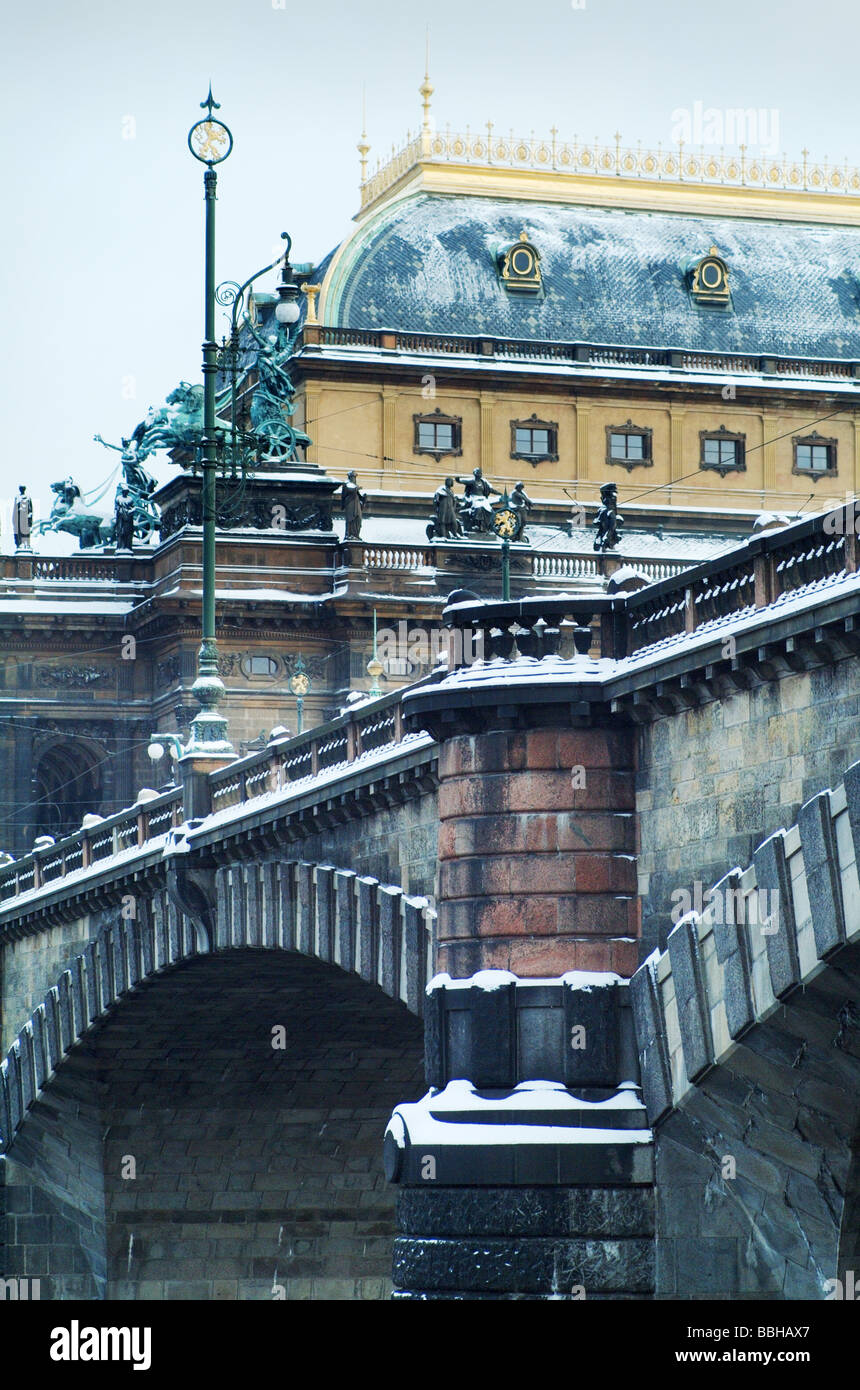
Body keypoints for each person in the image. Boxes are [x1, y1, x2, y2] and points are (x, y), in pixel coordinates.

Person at [456, 467, 500, 533]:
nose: (479, 474)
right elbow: (460, 481)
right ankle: (476, 525)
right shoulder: (472, 481)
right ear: (474, 473)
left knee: (490, 511)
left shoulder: (484, 482)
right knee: (478, 508)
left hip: (483, 498)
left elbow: (491, 490)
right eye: (477, 472)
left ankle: (487, 526)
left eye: (480, 473)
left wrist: (499, 493)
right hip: (474, 498)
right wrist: (458, 479)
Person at [593, 481, 624, 552]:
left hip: (610, 513)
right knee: (610, 521)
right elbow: (607, 504)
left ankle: (609, 537)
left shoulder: (612, 497)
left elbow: (615, 509)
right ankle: (606, 537)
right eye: (613, 490)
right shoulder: (606, 496)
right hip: (606, 512)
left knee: (612, 521)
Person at [340, 471, 367, 539]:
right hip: (350, 504)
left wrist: (363, 498)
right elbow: (349, 491)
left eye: (354, 477)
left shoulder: (355, 486)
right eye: (352, 477)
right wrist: (356, 489)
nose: (354, 479)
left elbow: (358, 495)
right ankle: (349, 534)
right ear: (349, 477)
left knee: (358, 519)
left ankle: (356, 534)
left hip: (357, 504)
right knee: (350, 519)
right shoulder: (346, 484)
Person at [114, 485, 135, 551]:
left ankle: (127, 546)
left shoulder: (130, 499)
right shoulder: (118, 498)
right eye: (124, 491)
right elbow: (116, 507)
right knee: (120, 532)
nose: (125, 493)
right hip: (120, 517)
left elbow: (133, 507)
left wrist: (131, 511)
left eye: (126, 492)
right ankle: (120, 546)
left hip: (128, 517)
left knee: (127, 532)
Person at [13, 485, 32, 550]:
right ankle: (20, 544)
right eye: (20, 488)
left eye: (22, 488)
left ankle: (26, 544)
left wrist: (30, 516)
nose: (21, 490)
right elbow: (15, 508)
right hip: (19, 515)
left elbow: (31, 508)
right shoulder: (17, 497)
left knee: (26, 530)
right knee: (19, 531)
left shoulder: (28, 497)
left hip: (26, 515)